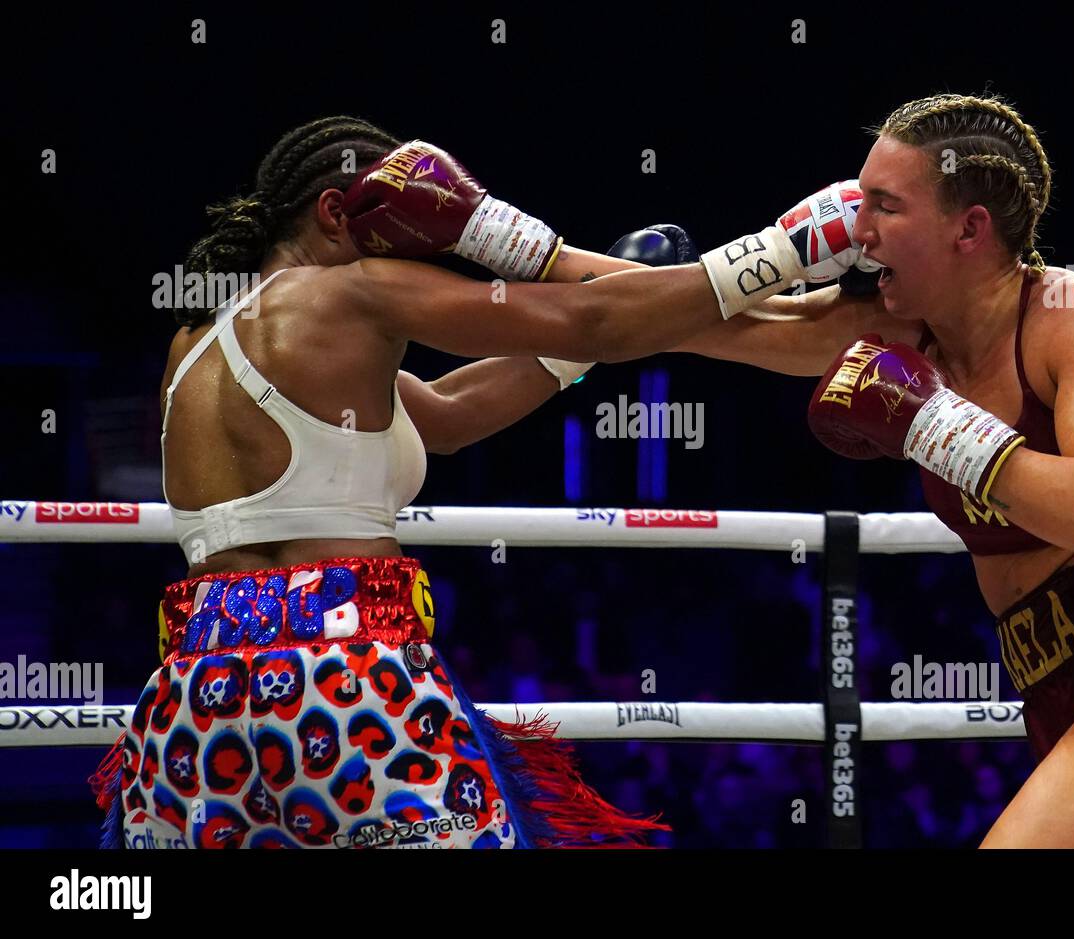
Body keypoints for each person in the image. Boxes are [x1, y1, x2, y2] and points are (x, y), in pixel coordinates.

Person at [88, 115, 871, 848]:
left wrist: (621, 314)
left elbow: (450, 413)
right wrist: (787, 247)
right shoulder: (353, 290)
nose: (412, 255)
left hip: (192, 701)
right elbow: (591, 321)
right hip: (340, 680)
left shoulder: (190, 346)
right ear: (334, 213)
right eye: (391, 230)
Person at [681, 93, 1074, 848]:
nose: (858, 231)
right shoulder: (911, 339)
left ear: (969, 228)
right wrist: (564, 265)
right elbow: (716, 325)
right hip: (1063, 692)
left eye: (884, 206)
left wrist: (931, 424)